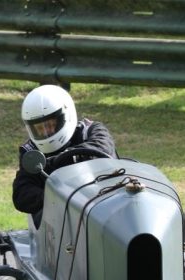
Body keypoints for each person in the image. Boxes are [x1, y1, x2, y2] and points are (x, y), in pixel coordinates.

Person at [12, 84, 117, 226]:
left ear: (65, 116)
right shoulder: (31, 152)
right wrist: (58, 197)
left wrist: (55, 162)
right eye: (39, 128)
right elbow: (21, 194)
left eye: (50, 124)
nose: (46, 132)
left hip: (104, 203)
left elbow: (102, 149)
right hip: (61, 223)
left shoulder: (91, 131)